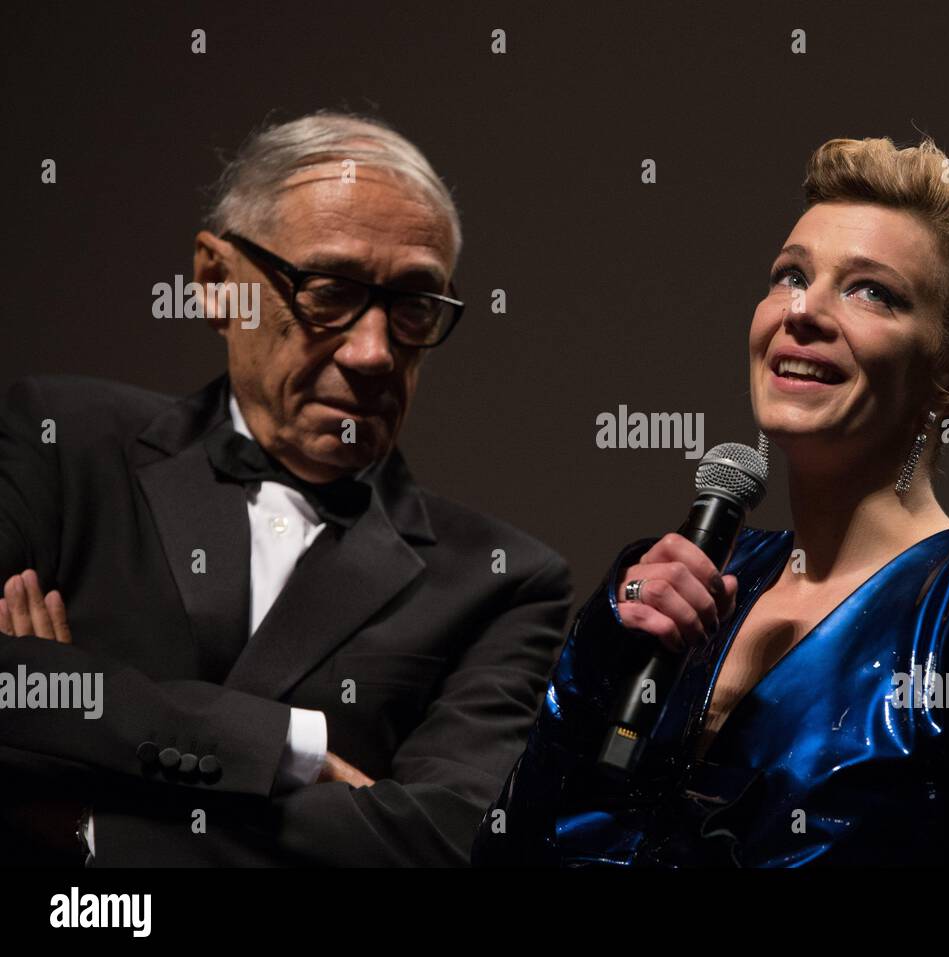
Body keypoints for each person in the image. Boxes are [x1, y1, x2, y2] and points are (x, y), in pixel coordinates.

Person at [472, 135, 949, 867]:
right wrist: (596, 656)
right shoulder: (683, 579)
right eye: (789, 276)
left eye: (870, 290)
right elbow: (506, 853)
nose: (803, 311)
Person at [0, 110, 571, 866]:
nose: (373, 352)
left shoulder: (505, 581)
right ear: (214, 282)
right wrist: (283, 747)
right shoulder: (61, 440)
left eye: (413, 306)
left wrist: (83, 813)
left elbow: (437, 843)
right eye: (329, 290)